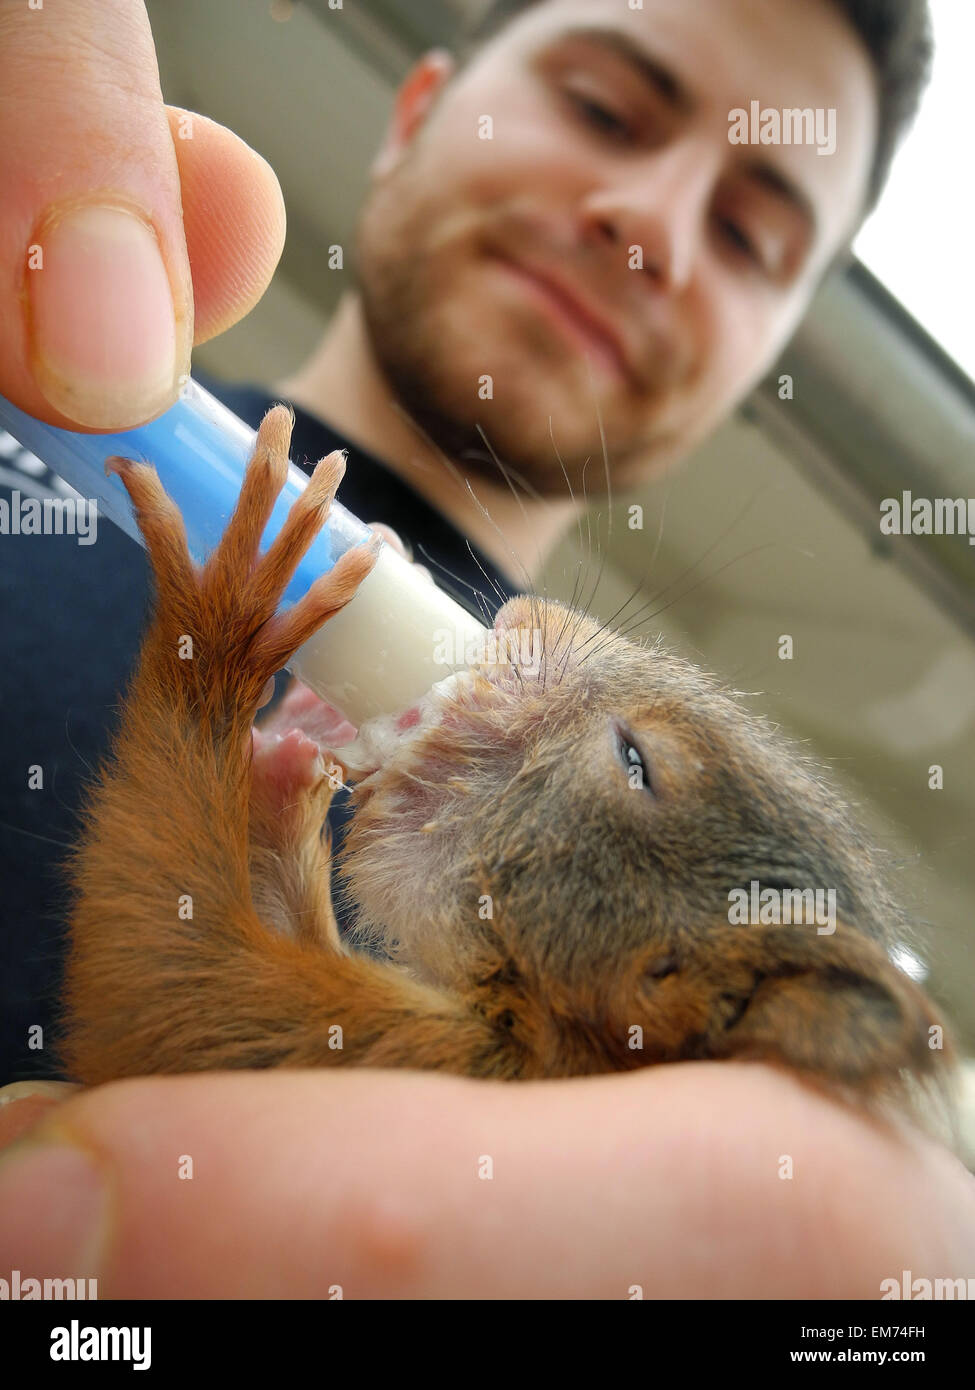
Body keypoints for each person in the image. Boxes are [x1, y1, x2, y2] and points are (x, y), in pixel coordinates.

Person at [1, 0, 972, 1297]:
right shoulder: (46, 328)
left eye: (749, 234)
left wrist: (207, 675)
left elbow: (188, 1011)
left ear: (668, 980)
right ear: (414, 115)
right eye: (604, 109)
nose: (653, 224)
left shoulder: (531, 1081)